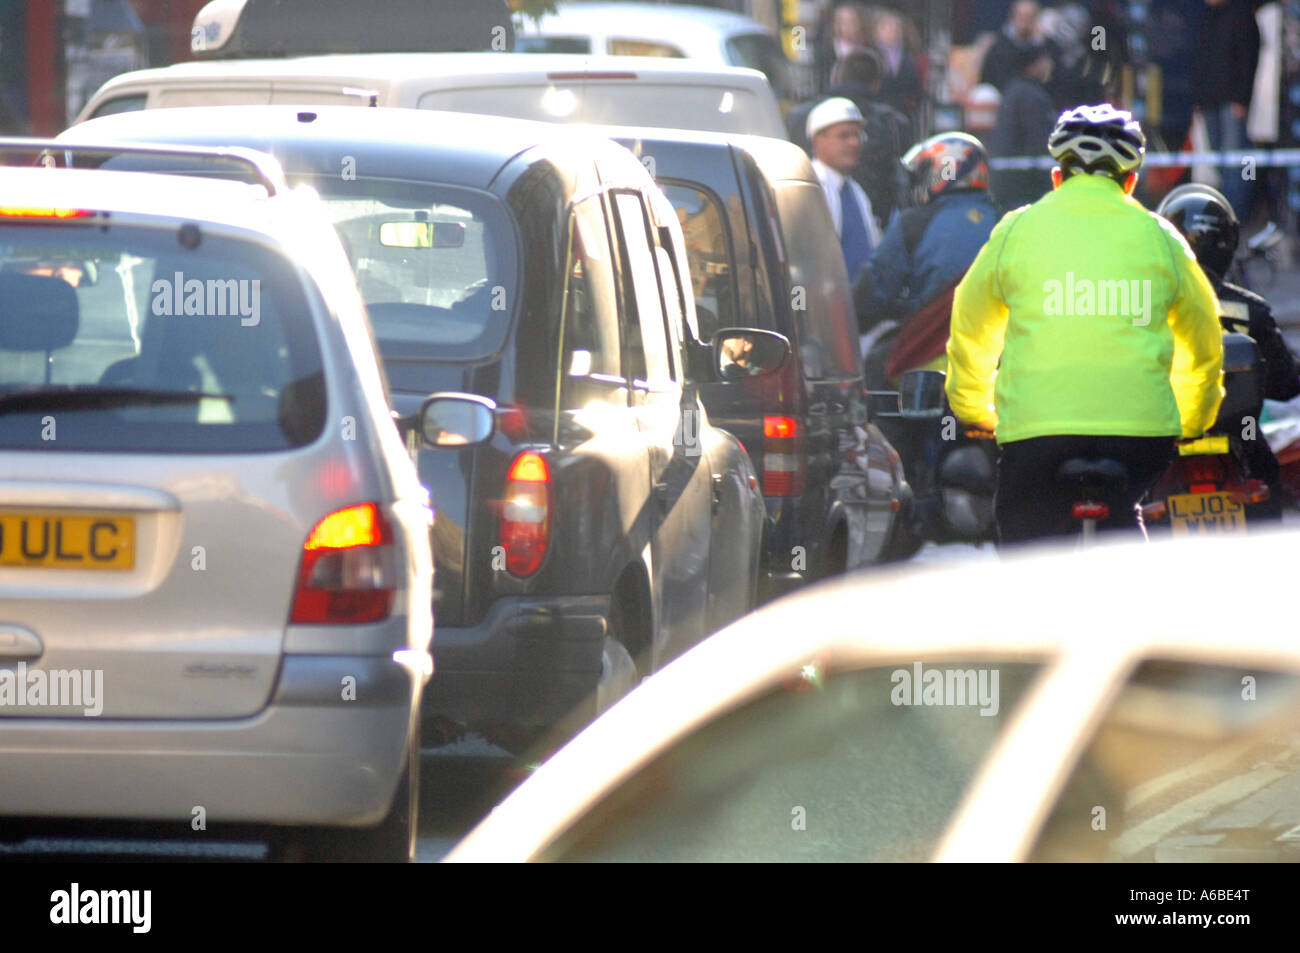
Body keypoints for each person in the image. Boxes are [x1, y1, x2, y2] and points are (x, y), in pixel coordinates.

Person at [946, 104, 1225, 546]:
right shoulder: (1162, 237)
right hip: (1140, 436)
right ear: (1130, 182)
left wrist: (975, 408)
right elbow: (1203, 339)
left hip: (1036, 434)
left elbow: (971, 324)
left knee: (1024, 538)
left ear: (1057, 177)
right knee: (1126, 508)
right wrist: (1193, 418)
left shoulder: (1017, 230)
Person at [1157, 183, 1300, 519]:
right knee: (1267, 484)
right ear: (1229, 243)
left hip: (1165, 436)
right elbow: (1286, 384)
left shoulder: (1146, 305)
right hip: (1242, 436)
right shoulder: (1253, 310)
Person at [854, 132, 997, 388]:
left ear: (944, 172)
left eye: (922, 173)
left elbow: (876, 289)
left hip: (934, 351)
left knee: (875, 369)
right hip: (998, 352)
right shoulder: (1005, 220)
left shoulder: (915, 223)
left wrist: (854, 318)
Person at [1194, 0, 1260, 221]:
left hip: (1231, 103)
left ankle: (1236, 214)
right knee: (1219, 158)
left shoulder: (1242, 15)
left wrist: (1241, 99)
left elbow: (1249, 59)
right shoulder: (1207, 17)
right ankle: (1227, 209)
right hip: (1210, 101)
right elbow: (1202, 58)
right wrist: (1200, 99)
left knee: (1236, 160)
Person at [807, 97, 881, 282]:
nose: (854, 143)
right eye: (844, 136)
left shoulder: (856, 191)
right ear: (818, 141)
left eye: (857, 135)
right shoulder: (809, 186)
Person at [988, 44, 1059, 212]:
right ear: (1032, 65)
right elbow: (1039, 142)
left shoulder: (1014, 91)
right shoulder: (1031, 96)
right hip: (1025, 186)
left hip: (1007, 184)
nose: (1049, 65)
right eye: (1044, 60)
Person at [980, 0, 1046, 93]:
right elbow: (1001, 80)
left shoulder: (1043, 45)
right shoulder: (999, 45)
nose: (1025, 23)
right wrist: (1030, 74)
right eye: (1021, 17)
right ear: (1013, 17)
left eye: (1029, 18)